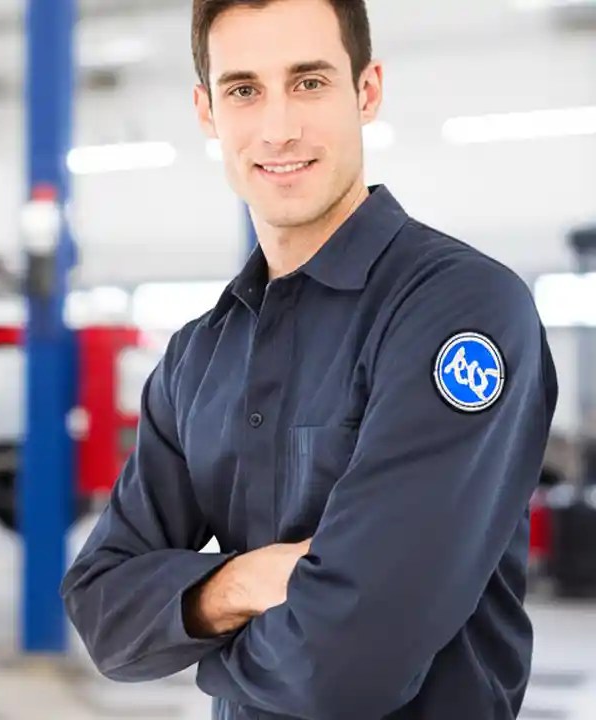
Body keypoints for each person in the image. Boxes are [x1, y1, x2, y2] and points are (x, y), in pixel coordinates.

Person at [59, 0, 559, 718]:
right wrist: (245, 581)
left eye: (309, 82)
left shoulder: (460, 310)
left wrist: (198, 633)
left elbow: (350, 663)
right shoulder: (198, 356)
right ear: (207, 111)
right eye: (243, 90)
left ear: (367, 91)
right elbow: (102, 609)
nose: (278, 127)